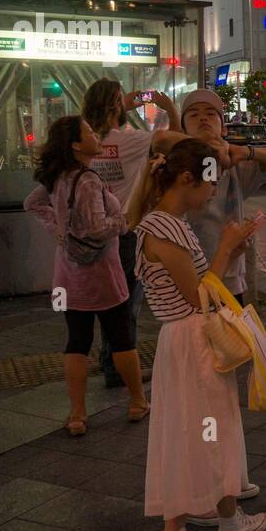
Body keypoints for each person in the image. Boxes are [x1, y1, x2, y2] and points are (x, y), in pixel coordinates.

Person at [131, 140, 266, 531]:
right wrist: (227, 247)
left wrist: (234, 248)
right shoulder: (163, 227)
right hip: (190, 341)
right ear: (187, 179)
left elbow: (197, 281)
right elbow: (195, 294)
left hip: (190, 340)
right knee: (195, 434)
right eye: (209, 180)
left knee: (210, 430)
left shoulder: (171, 221)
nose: (213, 190)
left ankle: (228, 519)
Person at [177, 89, 266, 519]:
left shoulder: (232, 167)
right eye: (196, 115)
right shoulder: (174, 167)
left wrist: (237, 150)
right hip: (194, 286)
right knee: (209, 387)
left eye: (213, 115)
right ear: (183, 124)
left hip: (232, 285)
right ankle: (216, 491)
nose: (205, 120)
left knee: (226, 383)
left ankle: (231, 476)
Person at [25, 116, 151, 435]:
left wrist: (59, 230)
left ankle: (78, 414)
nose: (97, 135)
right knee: (121, 337)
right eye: (91, 131)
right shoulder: (89, 179)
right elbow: (96, 227)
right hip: (101, 273)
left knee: (77, 341)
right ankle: (137, 401)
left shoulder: (57, 175)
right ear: (77, 145)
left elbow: (33, 203)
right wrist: (121, 223)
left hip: (67, 273)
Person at [82, 80, 184, 388]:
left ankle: (108, 361)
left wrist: (119, 106)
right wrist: (170, 109)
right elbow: (178, 143)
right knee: (127, 303)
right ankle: (120, 368)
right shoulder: (134, 140)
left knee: (104, 301)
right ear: (116, 105)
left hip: (91, 230)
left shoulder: (84, 138)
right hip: (125, 230)